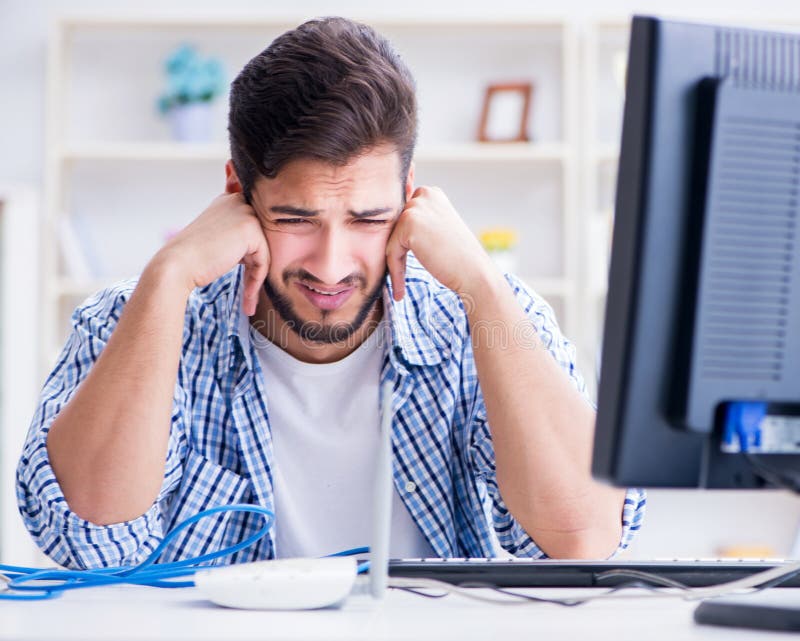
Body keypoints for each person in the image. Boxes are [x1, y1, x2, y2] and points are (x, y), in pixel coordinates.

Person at [17, 17, 645, 569]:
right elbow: (89, 538)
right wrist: (169, 277)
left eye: (368, 220)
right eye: (295, 219)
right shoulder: (137, 318)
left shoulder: (482, 316)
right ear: (237, 191)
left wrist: (481, 285)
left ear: (410, 195)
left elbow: (583, 538)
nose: (332, 264)